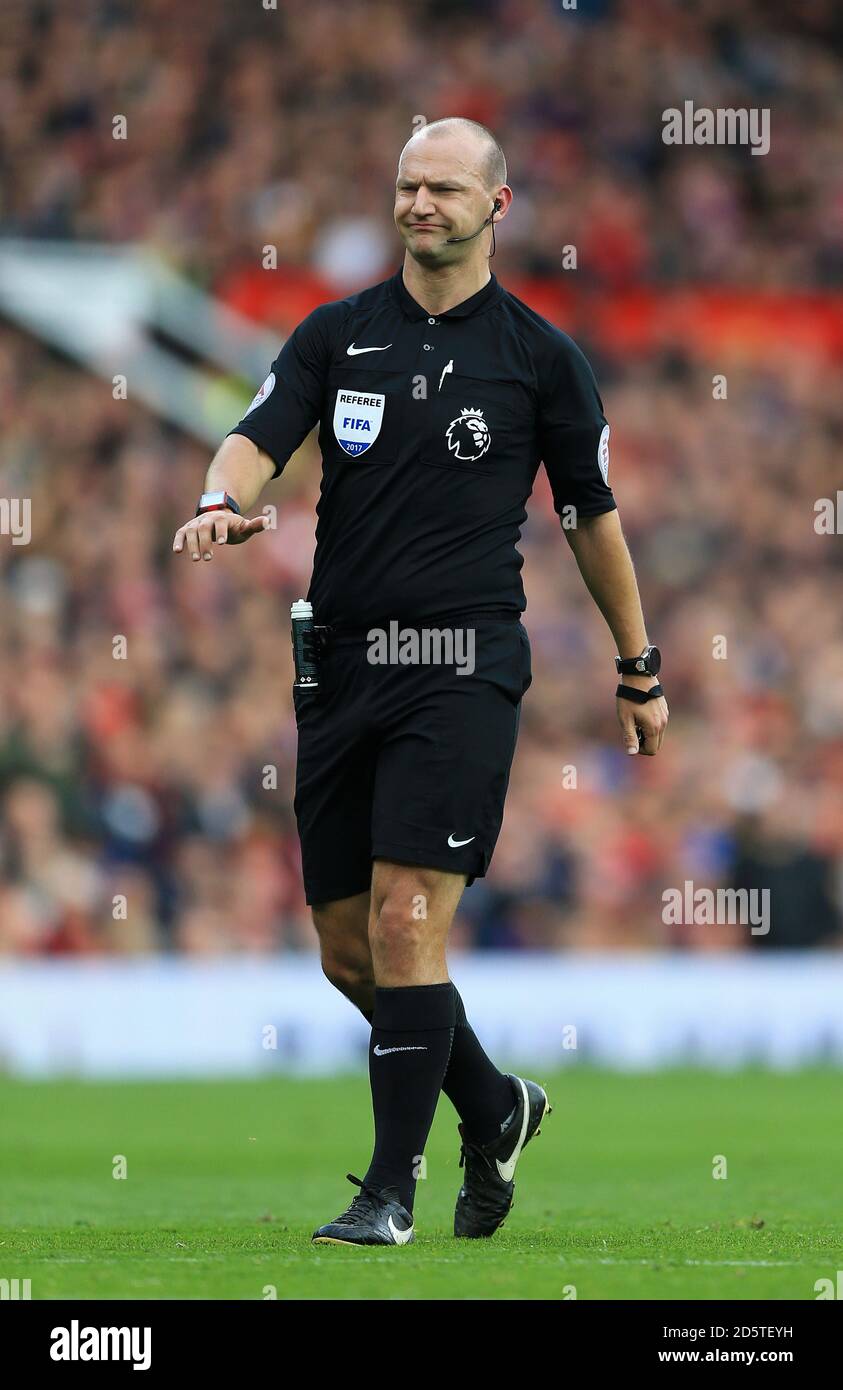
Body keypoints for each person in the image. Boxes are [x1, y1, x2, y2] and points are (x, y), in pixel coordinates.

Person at [173, 117, 669, 1246]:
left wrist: (638, 667)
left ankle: (388, 1191)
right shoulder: (336, 334)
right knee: (350, 949)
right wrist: (217, 501)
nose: (418, 204)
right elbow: (255, 436)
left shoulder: (542, 359)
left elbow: (592, 520)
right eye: (406, 185)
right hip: (342, 664)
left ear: (497, 206)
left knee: (407, 918)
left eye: (443, 188)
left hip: (462, 662)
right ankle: (495, 1106)